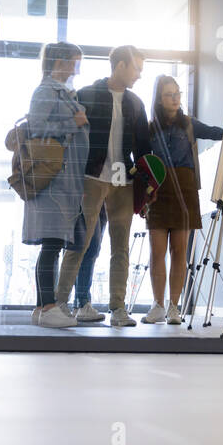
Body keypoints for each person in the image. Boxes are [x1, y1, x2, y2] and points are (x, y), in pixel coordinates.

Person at [49, 44, 150, 328]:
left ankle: (118, 308)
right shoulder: (87, 95)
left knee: (120, 247)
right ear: (120, 66)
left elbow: (144, 149)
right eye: (136, 68)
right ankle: (60, 304)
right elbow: (69, 136)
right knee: (78, 242)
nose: (139, 75)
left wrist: (147, 185)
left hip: (123, 181)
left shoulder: (136, 103)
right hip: (91, 179)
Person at [142, 76, 223, 325]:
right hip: (157, 190)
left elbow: (214, 132)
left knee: (179, 250)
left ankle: (174, 307)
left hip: (185, 189)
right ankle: (157, 305)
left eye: (177, 93)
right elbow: (143, 158)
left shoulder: (189, 123)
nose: (176, 98)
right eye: (169, 94)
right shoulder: (149, 127)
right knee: (157, 252)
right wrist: (145, 191)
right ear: (159, 98)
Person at [23, 42, 90, 329]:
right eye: (75, 61)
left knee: (54, 243)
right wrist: (72, 124)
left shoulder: (61, 92)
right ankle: (47, 305)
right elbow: (35, 128)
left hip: (65, 181)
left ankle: (44, 306)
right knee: (51, 244)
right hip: (53, 181)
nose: (77, 68)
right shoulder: (45, 91)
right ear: (61, 62)